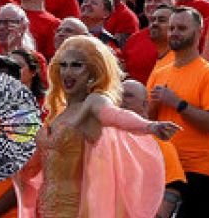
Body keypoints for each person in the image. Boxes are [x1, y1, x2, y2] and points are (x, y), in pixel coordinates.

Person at [13, 36, 177, 217]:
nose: (68, 72)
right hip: (44, 208)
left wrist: (149, 126)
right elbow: (34, 166)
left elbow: (115, 115)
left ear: (91, 72)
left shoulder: (94, 102)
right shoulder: (57, 115)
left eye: (76, 65)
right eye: (64, 65)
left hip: (77, 210)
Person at [146, 7, 209, 218]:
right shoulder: (159, 72)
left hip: (198, 172)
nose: (174, 32)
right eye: (172, 27)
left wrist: (178, 104)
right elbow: (147, 122)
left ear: (198, 32)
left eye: (182, 28)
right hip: (164, 170)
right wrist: (152, 109)